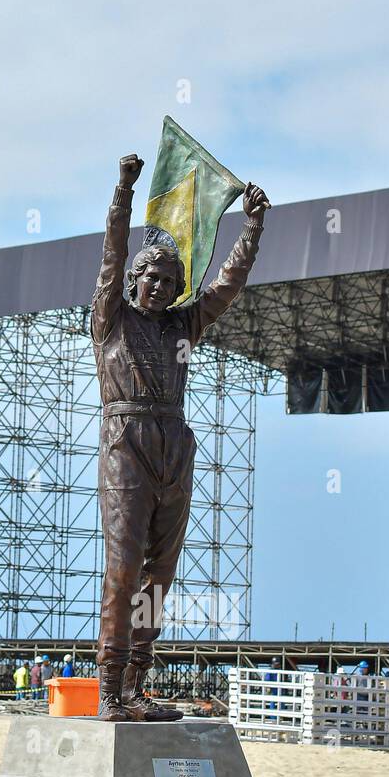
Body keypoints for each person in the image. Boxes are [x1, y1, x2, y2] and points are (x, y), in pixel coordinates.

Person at [92, 152, 269, 721]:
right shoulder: (110, 318)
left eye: (171, 281)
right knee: (123, 568)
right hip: (127, 440)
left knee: (159, 575)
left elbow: (227, 285)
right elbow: (113, 247)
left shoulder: (181, 327)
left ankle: (138, 685)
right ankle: (110, 689)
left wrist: (253, 228)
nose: (162, 287)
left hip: (174, 441)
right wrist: (124, 188)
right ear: (133, 280)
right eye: (153, 278)